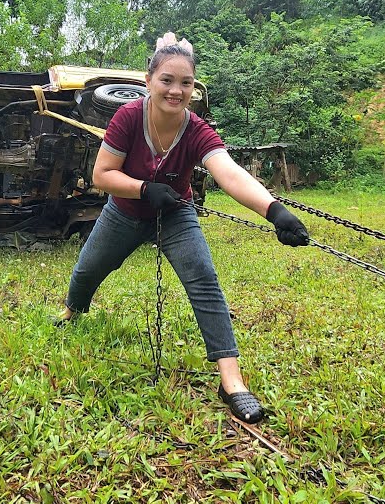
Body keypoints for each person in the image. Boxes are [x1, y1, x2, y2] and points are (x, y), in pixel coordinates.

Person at [56, 32, 310, 424]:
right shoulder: (128, 118)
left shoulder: (197, 130)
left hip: (176, 213)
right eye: (167, 80)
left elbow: (229, 173)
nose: (176, 90)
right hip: (124, 212)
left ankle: (232, 381)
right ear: (148, 81)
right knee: (89, 269)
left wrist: (274, 211)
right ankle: (72, 312)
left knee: (203, 277)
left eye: (186, 83)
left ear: (194, 87)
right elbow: (102, 175)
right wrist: (144, 188)